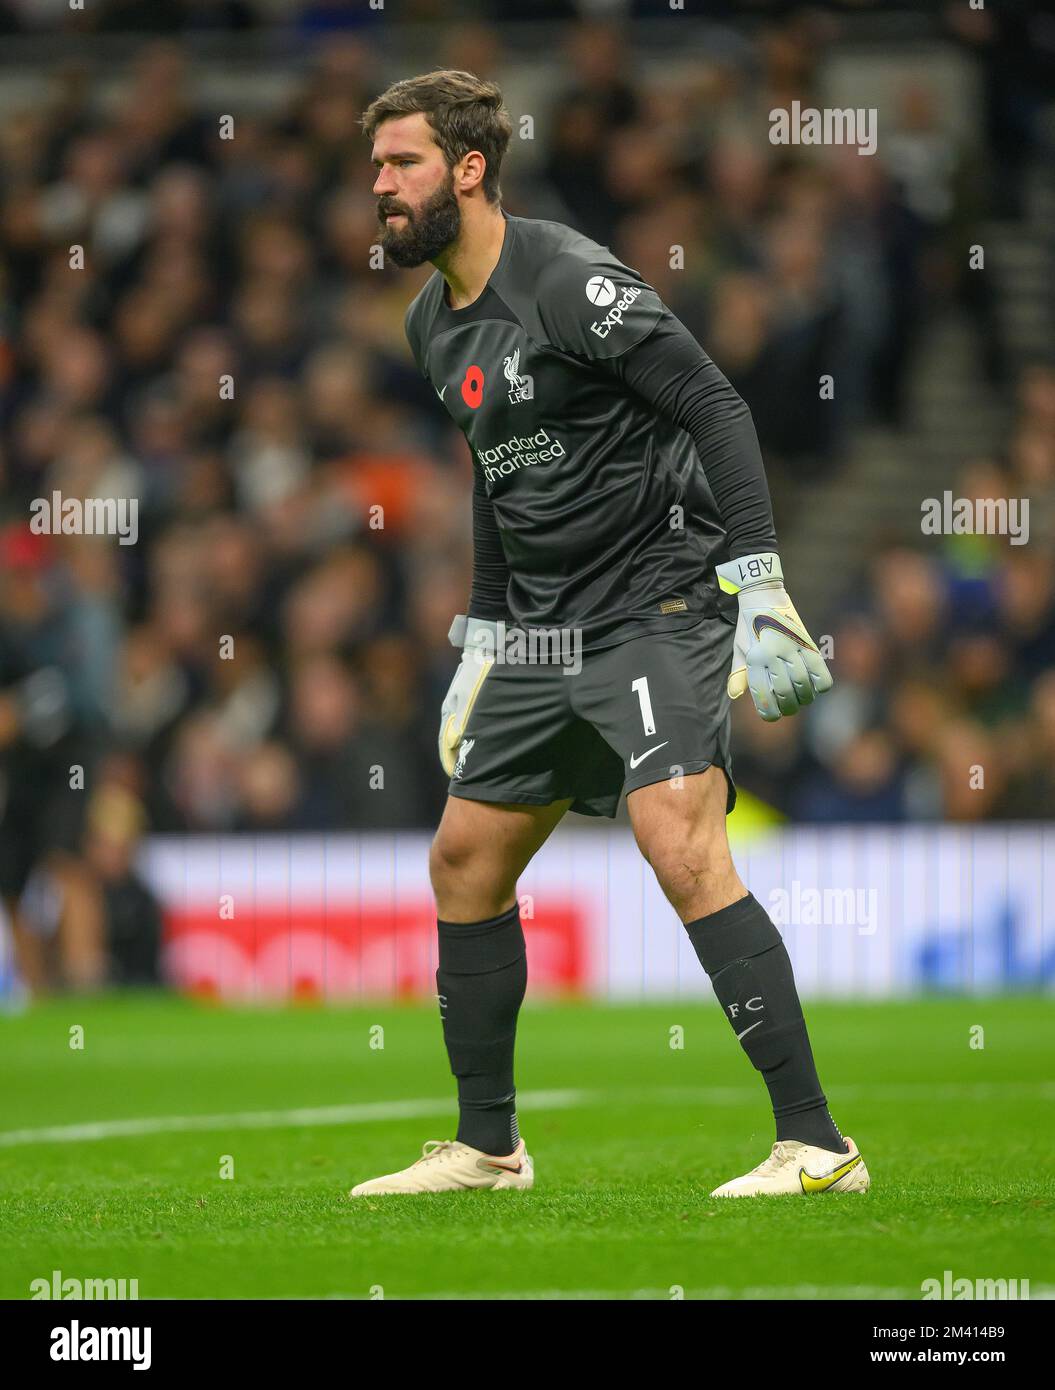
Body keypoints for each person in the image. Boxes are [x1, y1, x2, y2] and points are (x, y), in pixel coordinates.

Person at [350, 69, 868, 1199]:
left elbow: (713, 405)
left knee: (675, 838)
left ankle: (816, 1146)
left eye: (402, 164)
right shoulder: (429, 322)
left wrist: (761, 582)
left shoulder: (571, 282)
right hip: (540, 632)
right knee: (463, 858)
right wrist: (484, 637)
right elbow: (493, 474)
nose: (379, 186)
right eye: (376, 167)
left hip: (655, 599)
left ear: (469, 170)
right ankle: (488, 1148)